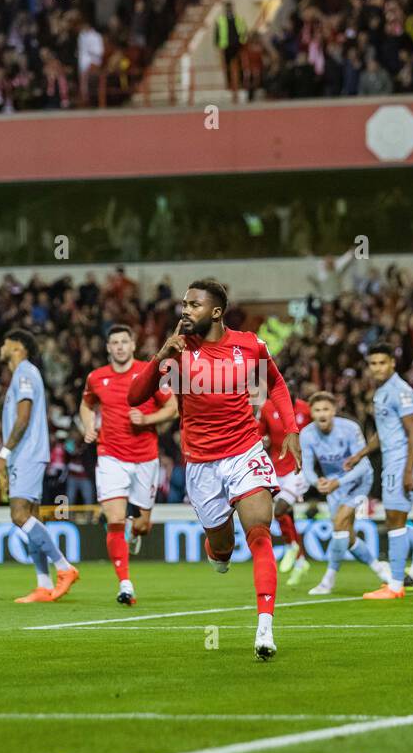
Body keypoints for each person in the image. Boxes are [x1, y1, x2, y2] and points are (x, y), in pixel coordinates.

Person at [128, 279, 299, 660]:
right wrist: (159, 357)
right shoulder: (178, 350)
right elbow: (134, 397)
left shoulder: (249, 344)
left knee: (259, 533)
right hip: (201, 463)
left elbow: (277, 384)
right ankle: (218, 550)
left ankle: (265, 629)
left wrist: (291, 429)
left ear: (216, 312)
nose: (185, 310)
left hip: (245, 452)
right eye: (184, 304)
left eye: (194, 305)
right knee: (222, 548)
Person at [342, 342, 413, 599]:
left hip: (401, 460)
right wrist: (360, 454)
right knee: (396, 521)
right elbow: (384, 433)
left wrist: (408, 470)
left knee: (396, 521)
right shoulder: (381, 391)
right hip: (393, 460)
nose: (377, 368)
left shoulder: (400, 390)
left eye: (382, 362)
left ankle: (397, 584)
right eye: (373, 364)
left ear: (392, 363)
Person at [79, 324, 178, 606]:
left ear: (133, 346)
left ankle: (136, 533)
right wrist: (89, 426)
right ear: (108, 348)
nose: (120, 346)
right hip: (110, 456)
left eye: (125, 342)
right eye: (115, 342)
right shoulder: (96, 378)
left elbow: (173, 408)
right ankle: (125, 583)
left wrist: (146, 420)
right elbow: (86, 405)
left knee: (143, 525)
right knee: (115, 520)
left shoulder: (148, 373)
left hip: (145, 457)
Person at [0, 330, 79, 603]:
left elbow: (23, 418)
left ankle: (64, 568)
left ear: (18, 346)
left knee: (19, 516)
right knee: (33, 518)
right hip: (29, 454)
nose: (1, 346)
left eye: (5, 341)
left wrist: (3, 455)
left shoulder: (24, 373)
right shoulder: (23, 374)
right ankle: (43, 584)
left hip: (25, 454)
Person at [299, 392, 392, 595]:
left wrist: (337, 482)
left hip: (358, 481)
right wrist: (318, 482)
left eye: (326, 409)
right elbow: (307, 468)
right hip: (334, 484)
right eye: (317, 410)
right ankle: (380, 569)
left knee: (340, 522)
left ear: (333, 411)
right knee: (347, 537)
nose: (322, 414)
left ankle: (328, 581)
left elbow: (362, 465)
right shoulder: (306, 434)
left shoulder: (349, 429)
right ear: (311, 413)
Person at [255, 381, 312, 586]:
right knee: (287, 516)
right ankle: (301, 560)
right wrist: (264, 440)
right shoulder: (268, 408)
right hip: (276, 469)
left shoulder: (305, 409)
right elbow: (260, 433)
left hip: (299, 469)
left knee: (279, 510)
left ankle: (291, 547)